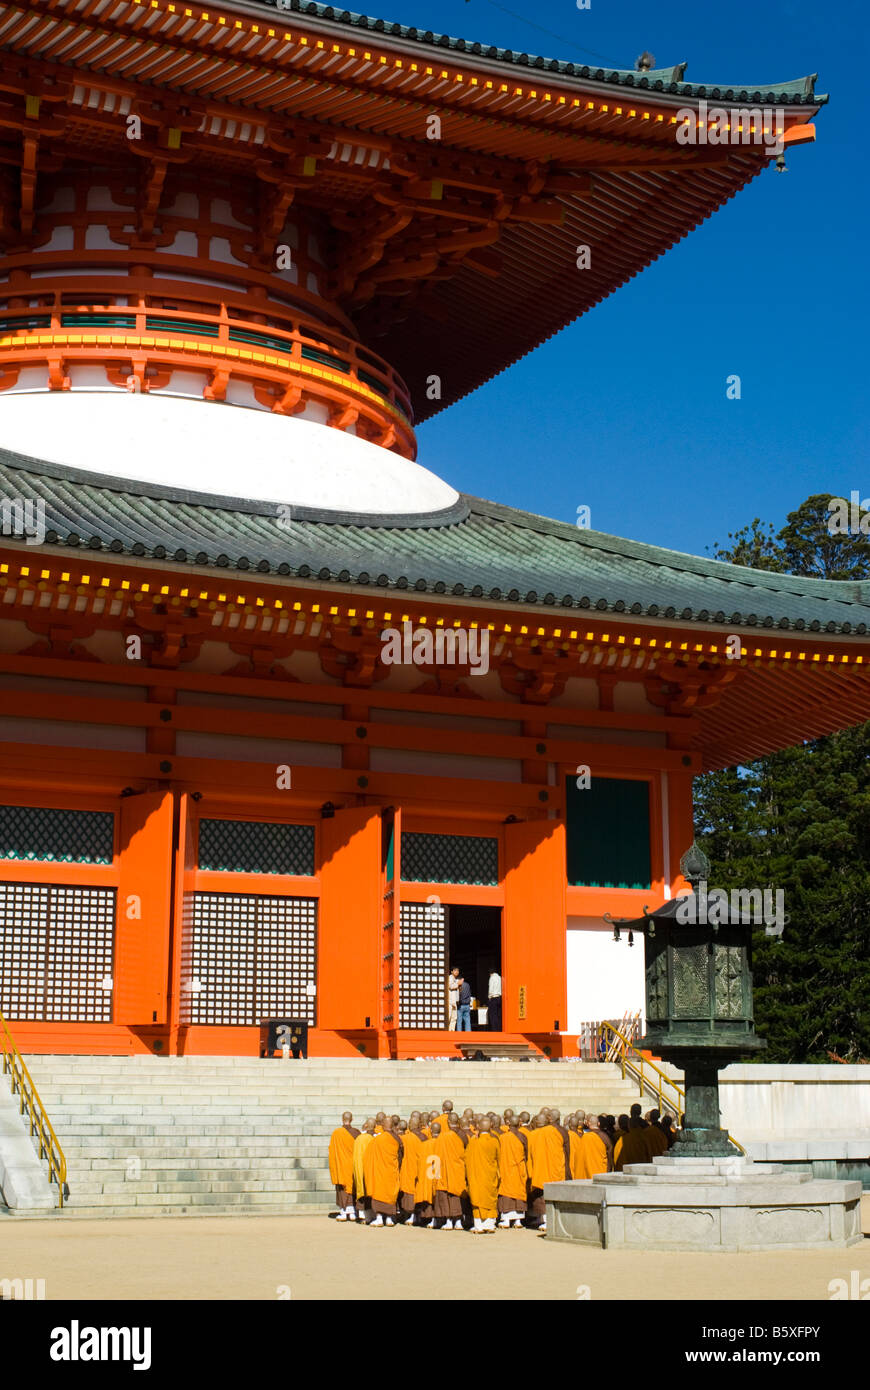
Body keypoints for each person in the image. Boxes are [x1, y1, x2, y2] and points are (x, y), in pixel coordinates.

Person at [364, 1117, 403, 1227]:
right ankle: (390, 1218)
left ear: (383, 1126)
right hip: (392, 1171)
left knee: (379, 1193)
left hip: (380, 1171)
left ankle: (380, 1218)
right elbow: (400, 1155)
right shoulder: (397, 1139)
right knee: (390, 1193)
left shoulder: (377, 1140)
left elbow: (368, 1157)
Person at [465, 1116, 500, 1233]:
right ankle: (490, 1225)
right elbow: (499, 1158)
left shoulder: (473, 1142)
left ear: (478, 1127)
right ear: (491, 1127)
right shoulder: (495, 1141)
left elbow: (467, 1159)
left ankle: (479, 1225)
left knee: (478, 1197)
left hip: (476, 1176)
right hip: (490, 1176)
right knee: (490, 1199)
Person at [433, 1116, 467, 1229]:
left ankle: (448, 1221)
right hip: (457, 1170)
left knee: (445, 1195)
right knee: (455, 1195)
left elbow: (435, 1156)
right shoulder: (462, 1135)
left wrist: (433, 1174)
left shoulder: (442, 1137)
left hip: (443, 1171)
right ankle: (458, 1221)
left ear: (447, 1122)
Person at [497, 1118, 528, 1228]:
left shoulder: (502, 1138)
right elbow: (526, 1153)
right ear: (520, 1123)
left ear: (508, 1124)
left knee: (506, 1193)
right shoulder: (523, 1137)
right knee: (518, 1192)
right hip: (519, 1169)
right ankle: (518, 1220)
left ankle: (505, 1220)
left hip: (505, 1168)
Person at [328, 1111, 360, 1220]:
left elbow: (332, 1150)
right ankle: (352, 1212)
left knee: (342, 1188)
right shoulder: (356, 1133)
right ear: (352, 1119)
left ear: (342, 1119)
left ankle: (344, 1211)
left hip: (341, 1165)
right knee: (352, 1188)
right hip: (352, 1165)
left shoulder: (336, 1133)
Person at [399, 1115, 423, 1224]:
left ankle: (411, 1215)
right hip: (421, 1168)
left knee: (409, 1193)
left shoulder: (405, 1138)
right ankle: (418, 1216)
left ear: (409, 1125)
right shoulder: (424, 1137)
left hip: (408, 1168)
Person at [417, 1121, 441, 1227]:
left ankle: (431, 1218)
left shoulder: (424, 1145)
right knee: (438, 1194)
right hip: (440, 1172)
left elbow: (420, 1161)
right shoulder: (444, 1143)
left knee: (429, 1193)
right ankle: (439, 1218)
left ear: (430, 1131)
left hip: (428, 1172)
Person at [352, 1118, 376, 1222]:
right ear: (375, 1126)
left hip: (361, 1168)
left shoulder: (359, 1139)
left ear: (366, 1126)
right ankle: (373, 1215)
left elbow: (356, 1156)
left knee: (362, 1189)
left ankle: (363, 1215)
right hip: (372, 1170)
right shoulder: (375, 1139)